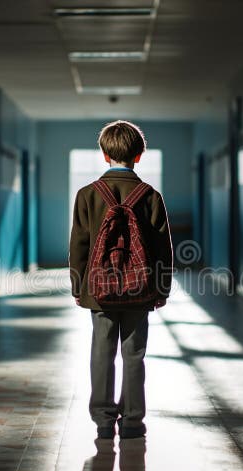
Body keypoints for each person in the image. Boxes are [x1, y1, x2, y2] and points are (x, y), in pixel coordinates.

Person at [69, 120, 173, 440]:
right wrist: (162, 288)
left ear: (104, 155)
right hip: (139, 288)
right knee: (134, 352)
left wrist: (78, 287)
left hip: (99, 290)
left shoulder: (88, 194)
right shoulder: (150, 196)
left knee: (102, 350)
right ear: (139, 155)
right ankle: (131, 420)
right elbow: (162, 248)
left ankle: (102, 418)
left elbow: (79, 245)